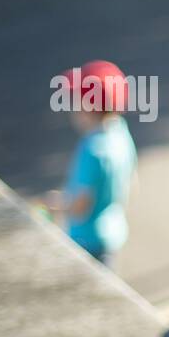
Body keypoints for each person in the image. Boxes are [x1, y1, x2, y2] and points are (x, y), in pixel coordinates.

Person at [38, 60, 137, 268]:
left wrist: (55, 204)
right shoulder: (120, 131)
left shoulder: (92, 150)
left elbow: (81, 206)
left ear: (89, 107)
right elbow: (132, 181)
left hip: (87, 242)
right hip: (112, 234)